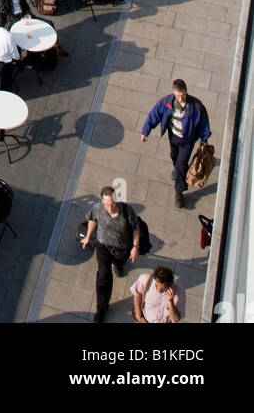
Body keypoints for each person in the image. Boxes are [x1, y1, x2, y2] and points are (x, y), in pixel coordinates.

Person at [141, 79, 211, 209]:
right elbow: (154, 114)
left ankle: (179, 193)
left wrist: (204, 139)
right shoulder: (167, 102)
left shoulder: (196, 106)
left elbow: (204, 122)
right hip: (173, 137)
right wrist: (146, 131)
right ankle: (179, 170)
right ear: (174, 93)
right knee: (173, 155)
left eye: (182, 95)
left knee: (180, 164)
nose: (180, 98)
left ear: (186, 91)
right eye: (178, 95)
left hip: (187, 141)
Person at [82, 186, 144, 323]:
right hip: (103, 246)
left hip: (122, 248)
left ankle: (118, 266)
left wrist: (135, 247)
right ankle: (101, 308)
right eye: (107, 204)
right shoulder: (98, 208)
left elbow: (136, 229)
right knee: (103, 275)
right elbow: (92, 219)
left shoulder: (126, 210)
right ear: (102, 201)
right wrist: (88, 236)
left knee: (119, 264)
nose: (110, 208)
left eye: (113, 204)